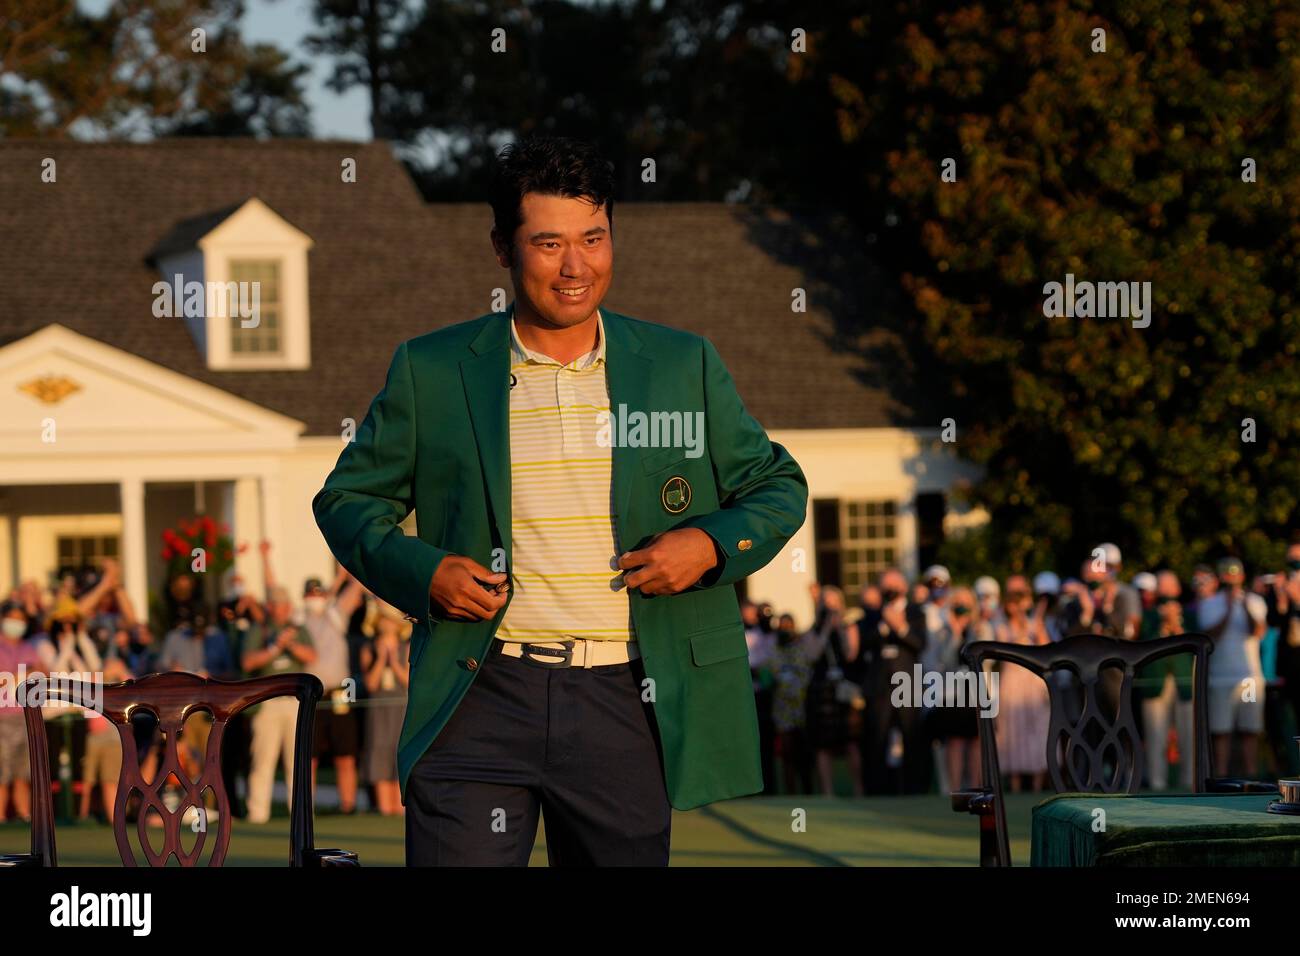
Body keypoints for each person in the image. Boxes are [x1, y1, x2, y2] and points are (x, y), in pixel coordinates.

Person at [313, 135, 808, 866]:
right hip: (478, 693)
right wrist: (424, 574)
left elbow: (777, 485)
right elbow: (347, 500)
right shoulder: (433, 370)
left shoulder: (682, 364)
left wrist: (707, 546)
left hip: (627, 700)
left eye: (593, 238)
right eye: (548, 243)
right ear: (501, 248)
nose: (575, 266)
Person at [241, 586, 317, 824]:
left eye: (285, 605)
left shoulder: (298, 629)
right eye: (277, 605)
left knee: (297, 761)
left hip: (295, 702)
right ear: (270, 607)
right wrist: (275, 647)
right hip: (268, 702)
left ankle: (301, 815)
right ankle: (258, 813)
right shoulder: (260, 629)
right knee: (263, 759)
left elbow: (312, 656)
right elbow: (248, 661)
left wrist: (290, 645)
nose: (282, 610)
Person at [302, 571, 366, 815]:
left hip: (339, 693)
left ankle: (348, 805)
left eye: (319, 593)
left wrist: (345, 574)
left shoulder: (335, 616)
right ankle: (308, 808)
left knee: (346, 752)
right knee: (310, 755)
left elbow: (355, 589)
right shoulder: (300, 621)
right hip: (312, 695)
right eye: (311, 594)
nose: (315, 598)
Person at [1197, 557, 1267, 778]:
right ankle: (1222, 778)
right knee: (1221, 732)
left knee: (1250, 730)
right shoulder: (1210, 603)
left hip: (1248, 678)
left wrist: (1243, 606)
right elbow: (1211, 635)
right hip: (1220, 678)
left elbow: (1257, 632)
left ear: (1242, 577)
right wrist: (1227, 610)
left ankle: (1251, 776)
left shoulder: (1255, 601)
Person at [862, 568, 927, 794]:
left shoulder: (916, 612)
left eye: (894, 586)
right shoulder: (872, 614)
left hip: (907, 684)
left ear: (904, 588)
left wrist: (899, 627)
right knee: (878, 738)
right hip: (880, 685)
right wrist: (883, 624)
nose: (890, 591)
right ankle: (879, 791)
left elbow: (920, 643)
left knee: (911, 736)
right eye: (886, 587)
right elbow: (863, 643)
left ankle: (913, 789)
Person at [1136, 570, 1195, 790]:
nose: (1167, 590)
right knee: (1155, 736)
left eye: (1171, 586)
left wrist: (1177, 626)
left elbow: (1197, 644)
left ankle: (1189, 781)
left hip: (1184, 683)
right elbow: (1142, 646)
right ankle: (1157, 782)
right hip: (1155, 682)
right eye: (1162, 585)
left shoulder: (1190, 614)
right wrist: (1162, 627)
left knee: (1188, 736)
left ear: (1178, 589)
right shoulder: (1148, 615)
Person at [993, 575, 1051, 792]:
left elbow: (1046, 648)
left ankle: (1037, 784)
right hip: (1012, 683)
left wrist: (1036, 623)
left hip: (1033, 683)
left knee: (1037, 730)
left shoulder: (1036, 622)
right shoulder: (1002, 625)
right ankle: (1016, 785)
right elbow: (1007, 650)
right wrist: (1022, 622)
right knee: (1013, 731)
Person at [804, 584, 863, 796]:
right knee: (823, 744)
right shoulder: (814, 629)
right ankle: (827, 792)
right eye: (825, 602)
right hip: (822, 690)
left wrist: (839, 627)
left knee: (851, 742)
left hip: (844, 691)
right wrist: (826, 627)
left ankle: (858, 789)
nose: (829, 606)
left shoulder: (849, 626)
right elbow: (811, 655)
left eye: (833, 602)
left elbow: (850, 654)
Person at [927, 586, 984, 790]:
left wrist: (969, 630)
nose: (962, 608)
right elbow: (944, 662)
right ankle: (956, 789)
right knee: (956, 741)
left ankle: (977, 788)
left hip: (976, 690)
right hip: (953, 692)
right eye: (957, 603)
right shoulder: (941, 633)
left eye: (966, 604)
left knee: (977, 740)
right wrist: (955, 632)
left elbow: (980, 658)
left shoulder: (981, 628)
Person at [359, 599, 411, 816]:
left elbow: (409, 681)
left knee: (399, 753)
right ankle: (384, 808)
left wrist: (394, 662)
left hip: (400, 708)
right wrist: (381, 658)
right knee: (379, 751)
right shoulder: (368, 648)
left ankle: (400, 808)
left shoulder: (407, 647)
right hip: (379, 711)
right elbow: (370, 684)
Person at [0, 602, 46, 823]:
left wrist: (25, 673)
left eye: (21, 620)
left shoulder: (28, 648)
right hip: (2, 717)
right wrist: (19, 676)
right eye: (13, 618)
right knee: (2, 771)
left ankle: (24, 814)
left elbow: (42, 670)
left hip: (25, 715)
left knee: (23, 771)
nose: (16, 624)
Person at [764, 613, 815, 794]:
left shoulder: (801, 649)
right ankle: (790, 791)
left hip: (801, 708)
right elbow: (772, 673)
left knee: (804, 753)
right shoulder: (775, 650)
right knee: (786, 754)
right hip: (782, 709)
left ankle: (808, 790)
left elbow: (806, 673)